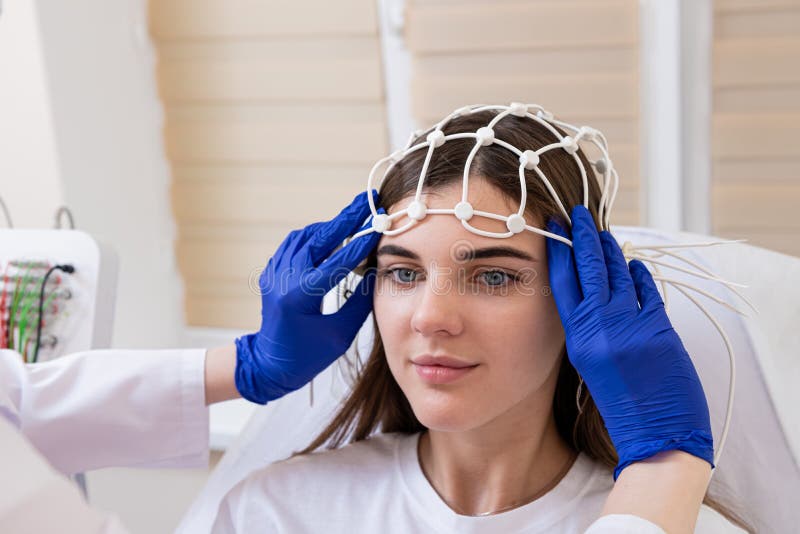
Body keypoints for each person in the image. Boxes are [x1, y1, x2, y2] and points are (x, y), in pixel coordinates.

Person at [210, 109, 745, 533]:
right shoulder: (274, 514)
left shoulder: (672, 519)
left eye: (493, 277)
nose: (430, 319)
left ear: (585, 300)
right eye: (402, 272)